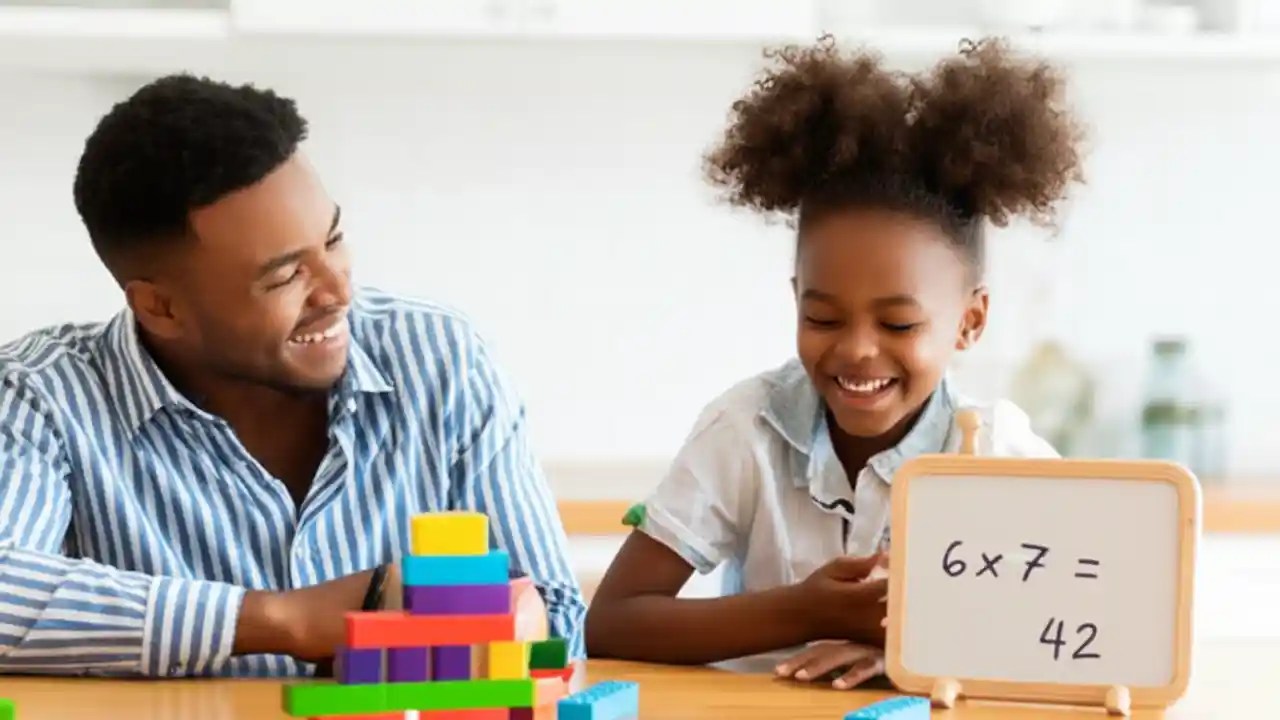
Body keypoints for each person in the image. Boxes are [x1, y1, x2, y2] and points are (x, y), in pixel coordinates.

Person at [0, 75, 584, 677]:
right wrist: (280, 619)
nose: (337, 290)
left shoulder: (440, 360)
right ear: (160, 308)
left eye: (332, 239)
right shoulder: (44, 396)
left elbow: (558, 622)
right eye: (284, 278)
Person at [585, 37, 1085, 689]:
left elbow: (1074, 633)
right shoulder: (745, 430)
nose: (855, 349)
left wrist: (911, 659)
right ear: (796, 299)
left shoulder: (996, 452)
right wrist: (804, 611)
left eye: (898, 323)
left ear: (970, 321)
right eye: (822, 318)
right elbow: (613, 622)